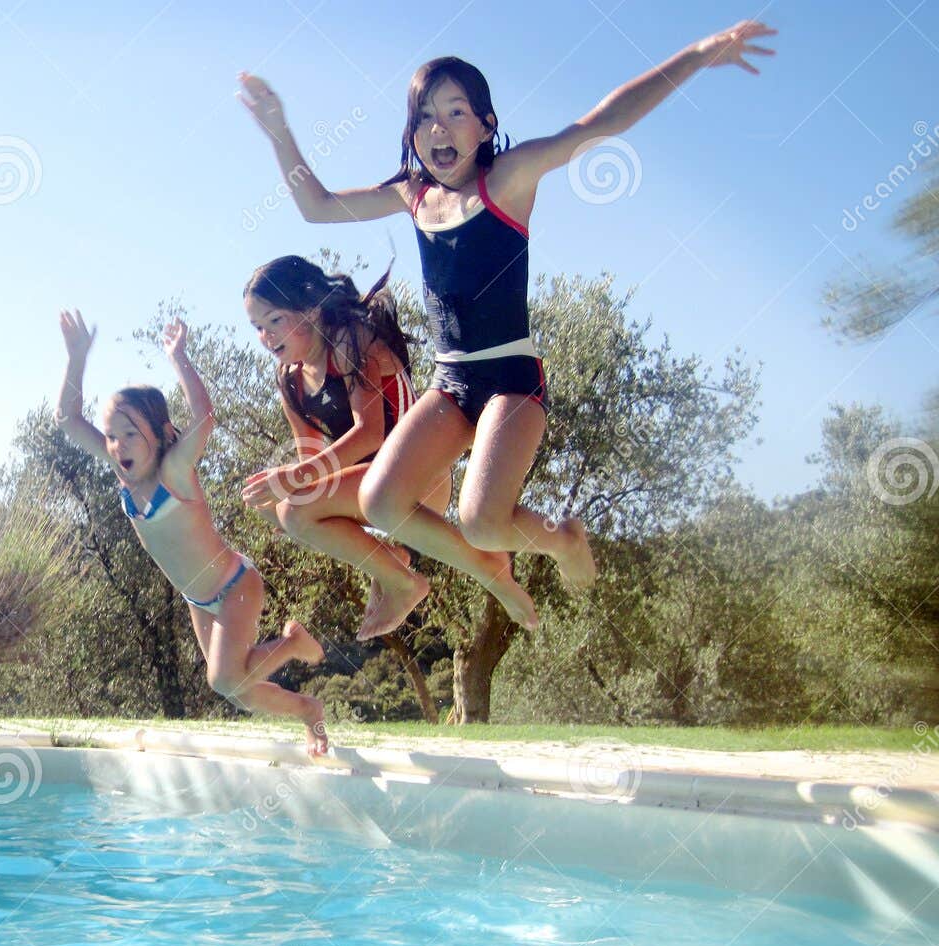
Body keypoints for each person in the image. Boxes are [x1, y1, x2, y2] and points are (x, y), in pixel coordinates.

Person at [238, 20, 779, 632]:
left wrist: (700, 54)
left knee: (483, 520)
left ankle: (561, 539)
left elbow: (600, 123)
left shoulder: (508, 181)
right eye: (424, 118)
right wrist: (280, 131)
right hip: (452, 386)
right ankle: (486, 569)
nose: (437, 129)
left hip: (511, 383)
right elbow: (316, 206)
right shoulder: (412, 196)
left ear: (486, 125)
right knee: (379, 502)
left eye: (455, 112)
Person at [57, 309, 330, 755]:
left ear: (163, 433)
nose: (117, 445)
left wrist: (179, 357)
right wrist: (76, 357)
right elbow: (67, 420)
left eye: (129, 433)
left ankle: (293, 647)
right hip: (199, 598)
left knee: (223, 678)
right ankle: (307, 709)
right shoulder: (123, 472)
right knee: (237, 691)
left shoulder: (174, 472)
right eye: (110, 435)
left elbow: (204, 418)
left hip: (235, 584)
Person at [243, 254, 536, 636]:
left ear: (311, 310)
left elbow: (370, 434)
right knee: (279, 507)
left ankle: (445, 575)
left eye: (274, 320)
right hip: (370, 492)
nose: (266, 336)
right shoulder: (291, 381)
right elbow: (311, 460)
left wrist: (295, 483)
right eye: (257, 327)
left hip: (419, 478)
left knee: (294, 509)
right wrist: (288, 491)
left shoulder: (351, 341)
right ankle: (392, 560)